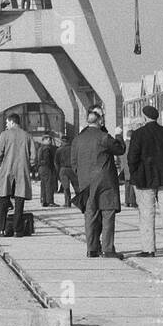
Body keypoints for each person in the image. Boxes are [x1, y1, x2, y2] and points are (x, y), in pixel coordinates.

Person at [127, 104, 163, 257]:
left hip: (144, 180)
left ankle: (149, 249)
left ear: (145, 117)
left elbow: (132, 158)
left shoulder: (138, 134)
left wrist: (135, 172)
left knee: (147, 213)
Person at [70, 107, 126, 257]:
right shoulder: (104, 137)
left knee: (90, 215)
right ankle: (108, 249)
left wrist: (82, 176)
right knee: (108, 213)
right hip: (105, 181)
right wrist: (119, 135)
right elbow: (120, 149)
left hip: (86, 183)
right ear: (100, 121)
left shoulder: (77, 139)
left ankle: (92, 249)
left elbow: (73, 163)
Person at [0, 113, 32, 237]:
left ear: (11, 122)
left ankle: (0, 229)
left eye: (7, 123)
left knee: (3, 200)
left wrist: (2, 165)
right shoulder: (27, 136)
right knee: (19, 201)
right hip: (22, 171)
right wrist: (27, 166)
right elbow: (34, 157)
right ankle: (18, 230)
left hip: (7, 170)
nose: (6, 125)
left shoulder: (4, 135)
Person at [36, 133, 59, 207]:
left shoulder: (40, 148)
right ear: (44, 140)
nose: (50, 141)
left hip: (41, 168)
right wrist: (52, 167)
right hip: (47, 168)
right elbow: (47, 159)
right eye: (48, 139)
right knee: (49, 185)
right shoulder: (47, 148)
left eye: (50, 139)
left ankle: (44, 200)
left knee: (43, 185)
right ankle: (50, 201)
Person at [56, 131, 78, 206]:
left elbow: (56, 162)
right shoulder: (73, 149)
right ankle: (81, 202)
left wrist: (58, 171)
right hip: (72, 169)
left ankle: (67, 203)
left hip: (63, 169)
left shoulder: (59, 150)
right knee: (76, 186)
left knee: (66, 187)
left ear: (62, 141)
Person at [116, 129, 136, 206]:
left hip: (124, 167)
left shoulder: (124, 144)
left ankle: (127, 201)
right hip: (131, 167)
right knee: (132, 185)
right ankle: (132, 201)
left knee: (127, 185)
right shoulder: (132, 144)